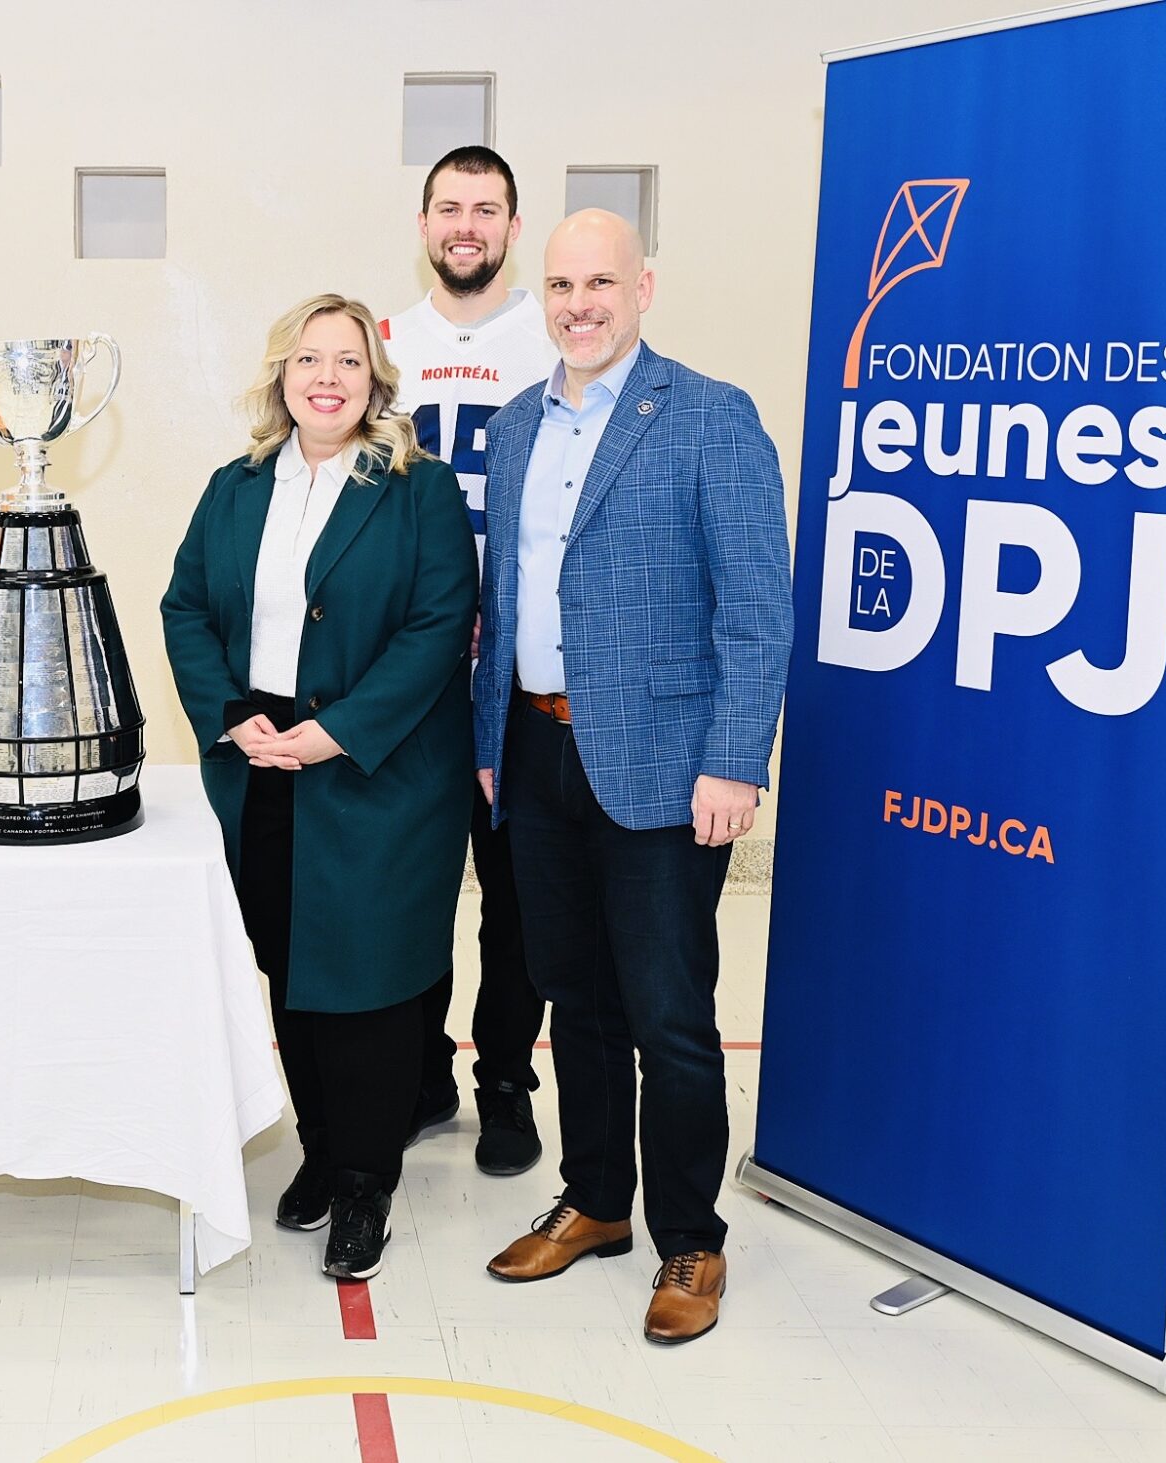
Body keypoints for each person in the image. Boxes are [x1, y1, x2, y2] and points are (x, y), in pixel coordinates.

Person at [473, 211, 791, 1344]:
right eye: (558, 283)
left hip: (664, 767)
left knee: (669, 1017)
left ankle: (689, 1240)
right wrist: (486, 736)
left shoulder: (709, 417)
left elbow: (757, 611)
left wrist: (731, 760)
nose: (577, 303)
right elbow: (502, 602)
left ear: (642, 285)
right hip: (537, 750)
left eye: (599, 280)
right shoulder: (515, 426)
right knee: (577, 998)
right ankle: (596, 1198)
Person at [162, 294, 476, 1280]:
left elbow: (437, 622)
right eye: (308, 359)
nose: (326, 377)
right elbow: (183, 606)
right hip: (258, 758)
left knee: (368, 989)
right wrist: (225, 711)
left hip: (374, 771)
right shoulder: (233, 484)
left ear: (374, 381)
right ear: (280, 376)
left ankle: (363, 1180)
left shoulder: (416, 489)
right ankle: (318, 1147)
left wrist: (335, 732)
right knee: (292, 972)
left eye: (346, 360)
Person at [380, 145, 559, 1174]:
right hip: (413, 667)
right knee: (408, 879)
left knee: (515, 892)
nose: (465, 226)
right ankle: (417, 1072)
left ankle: (504, 1083)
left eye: (484, 209)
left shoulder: (555, 334)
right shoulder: (384, 343)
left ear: (510, 226)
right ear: (422, 223)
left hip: (517, 664)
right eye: (448, 207)